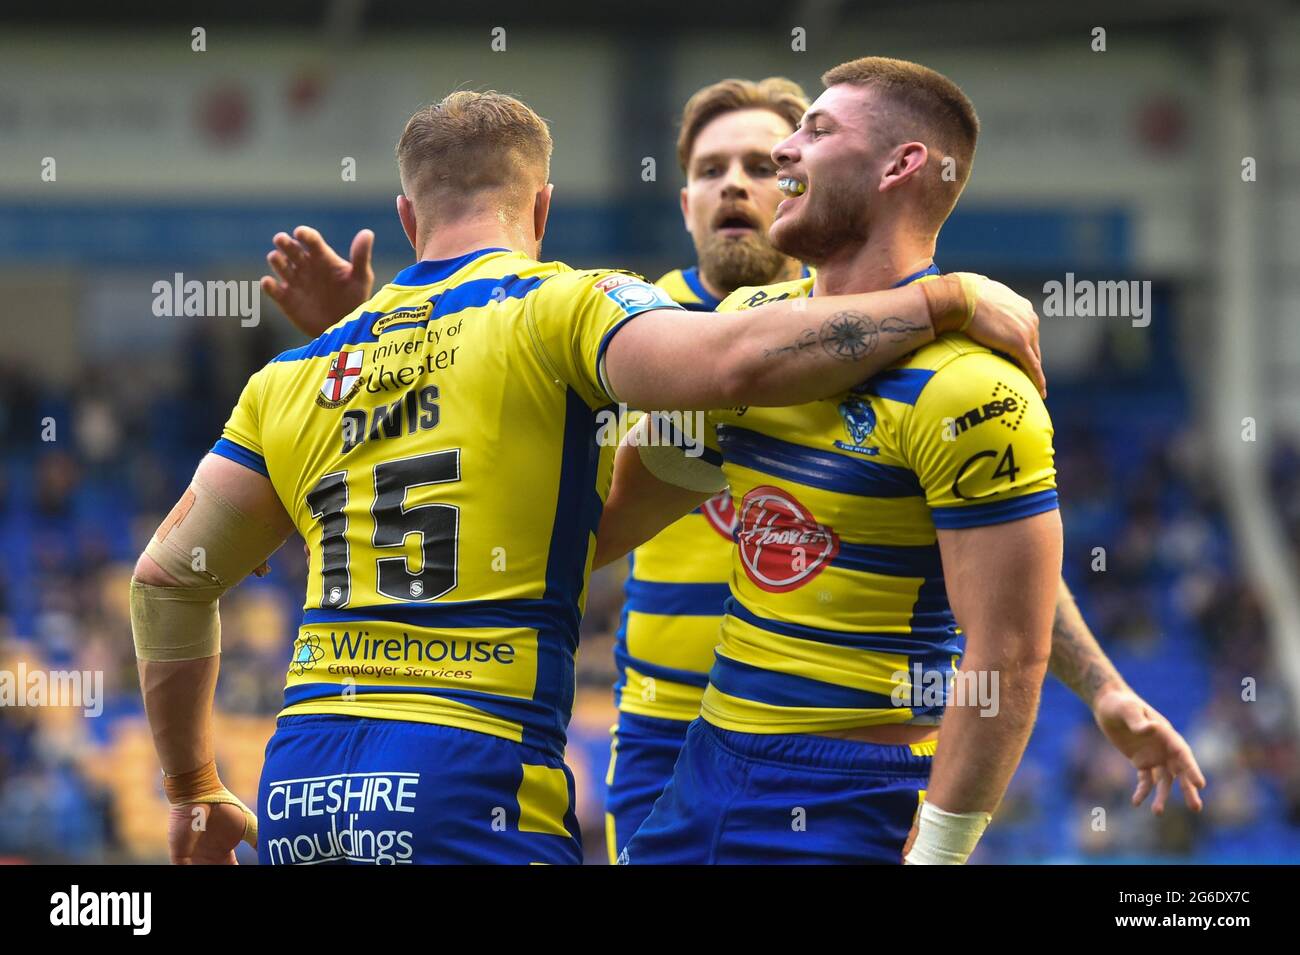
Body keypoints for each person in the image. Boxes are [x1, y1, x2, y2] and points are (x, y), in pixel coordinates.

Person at [130, 88, 1041, 864]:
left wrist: (193, 783)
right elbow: (728, 363)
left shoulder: (291, 377)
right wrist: (946, 296)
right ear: (542, 209)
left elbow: (167, 580)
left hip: (300, 785)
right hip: (469, 775)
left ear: (408, 221)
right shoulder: (563, 303)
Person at [594, 56, 1205, 865]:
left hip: (848, 787)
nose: (780, 158)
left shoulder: (973, 390)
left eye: (813, 132)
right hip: (692, 756)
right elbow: (622, 511)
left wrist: (942, 849)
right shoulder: (732, 331)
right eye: (713, 168)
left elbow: (1007, 647)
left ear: (901, 164)